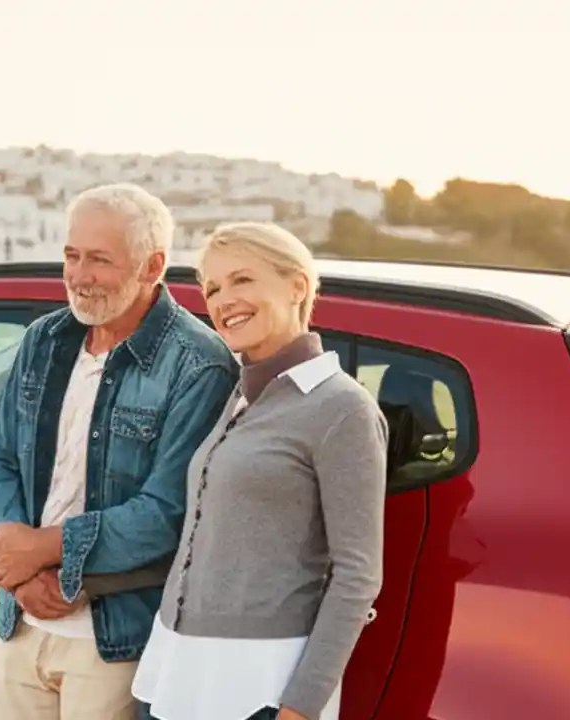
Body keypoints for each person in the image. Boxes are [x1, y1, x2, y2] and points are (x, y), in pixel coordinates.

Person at [0, 183, 237, 720]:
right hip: (19, 623)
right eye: (71, 256)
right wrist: (21, 571)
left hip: (113, 641)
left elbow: (168, 512)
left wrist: (45, 551)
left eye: (99, 260)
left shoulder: (198, 365)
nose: (78, 274)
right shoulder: (43, 339)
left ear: (152, 265)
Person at [131, 222, 389, 720]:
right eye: (212, 288)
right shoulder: (240, 397)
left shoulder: (343, 409)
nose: (223, 299)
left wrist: (301, 706)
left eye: (242, 280)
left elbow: (357, 576)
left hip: (255, 689)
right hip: (173, 672)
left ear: (298, 287)